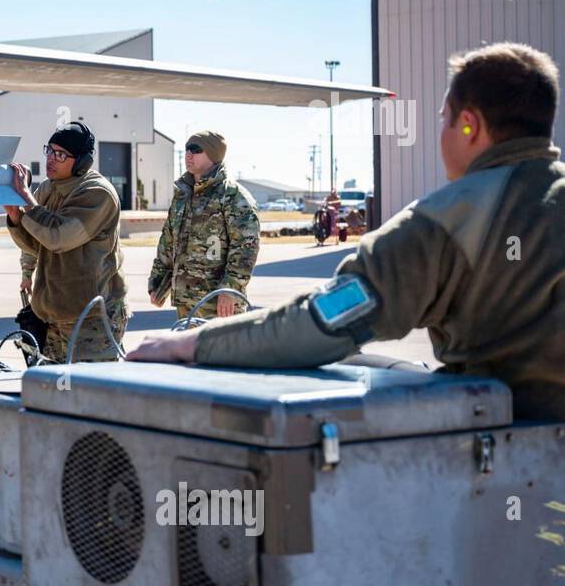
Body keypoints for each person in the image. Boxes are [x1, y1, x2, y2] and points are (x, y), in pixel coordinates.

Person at [126, 42, 565, 422]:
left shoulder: (453, 218)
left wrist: (193, 343)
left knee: (354, 362)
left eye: (444, 119)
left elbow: (324, 321)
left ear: (468, 126)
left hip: (510, 452)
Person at [5, 121, 127, 362]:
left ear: (81, 162)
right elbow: (37, 244)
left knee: (90, 392)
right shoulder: (48, 190)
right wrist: (16, 217)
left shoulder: (97, 192)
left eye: (60, 154)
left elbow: (58, 237)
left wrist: (28, 202)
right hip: (55, 318)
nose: (51, 158)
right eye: (49, 150)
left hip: (92, 318)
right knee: (56, 392)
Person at [148, 130, 260, 319]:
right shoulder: (183, 196)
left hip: (219, 305)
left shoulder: (233, 196)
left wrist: (230, 289)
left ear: (213, 155)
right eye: (187, 149)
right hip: (186, 303)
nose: (188, 154)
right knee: (188, 349)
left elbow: (245, 248)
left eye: (196, 149)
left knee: (221, 349)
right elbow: (168, 241)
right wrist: (158, 282)